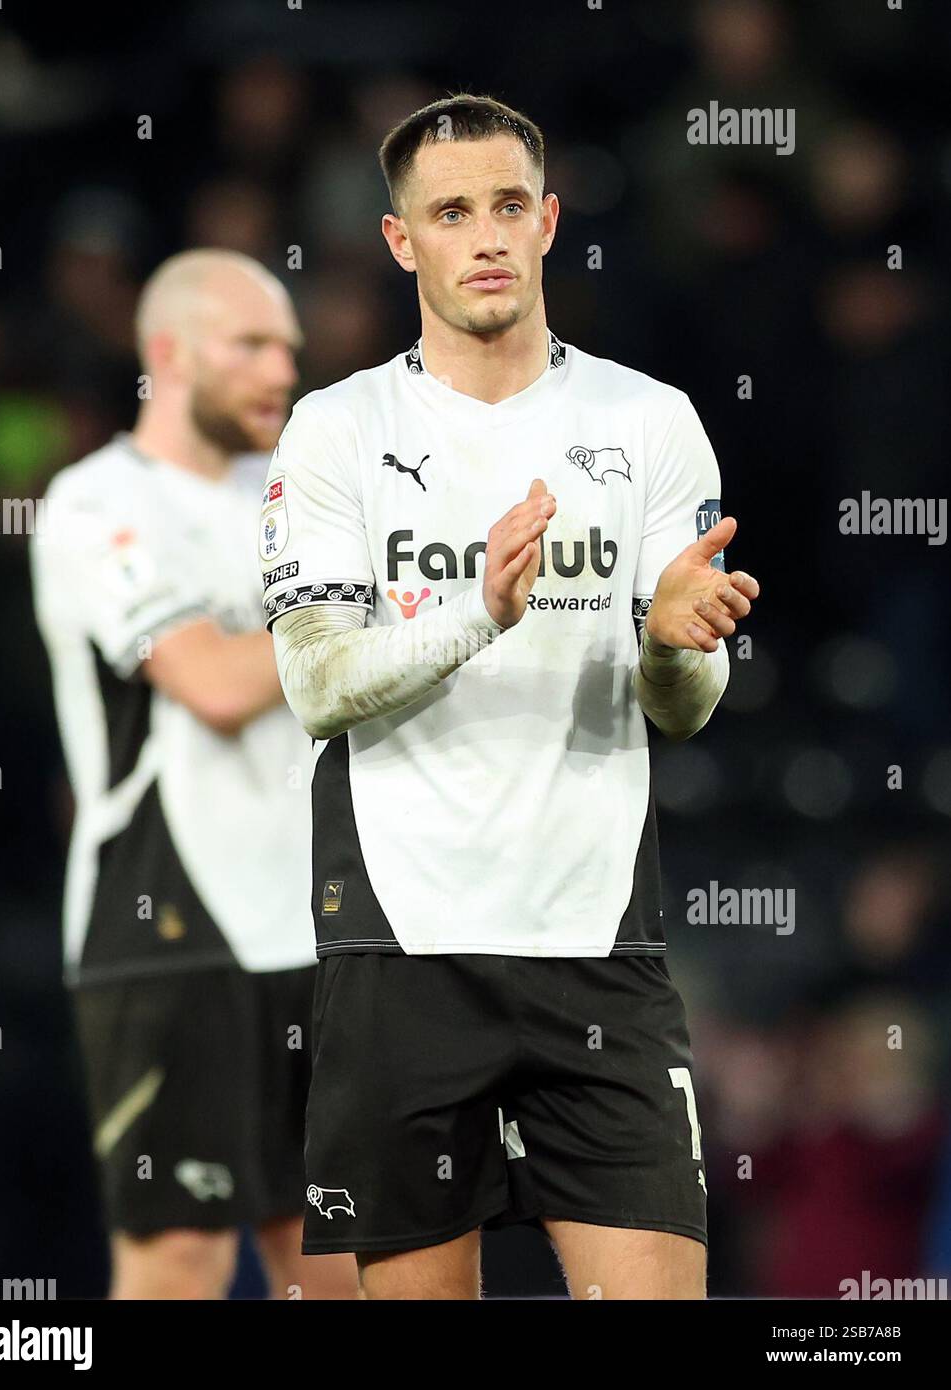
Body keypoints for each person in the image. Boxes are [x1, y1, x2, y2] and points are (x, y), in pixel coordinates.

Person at [261, 95, 760, 1300]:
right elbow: (316, 685)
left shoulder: (647, 422)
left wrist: (671, 645)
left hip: (598, 949)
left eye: (504, 206)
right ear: (399, 242)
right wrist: (477, 611)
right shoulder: (335, 430)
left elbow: (683, 701)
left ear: (545, 222)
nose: (482, 235)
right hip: (402, 954)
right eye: (448, 213)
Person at [31, 249, 356, 1300]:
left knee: (335, 1263)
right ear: (168, 353)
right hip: (165, 922)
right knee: (179, 1258)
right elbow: (211, 682)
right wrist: (363, 626)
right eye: (251, 345)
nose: (282, 371)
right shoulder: (95, 503)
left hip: (314, 918)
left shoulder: (303, 498)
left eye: (289, 349)